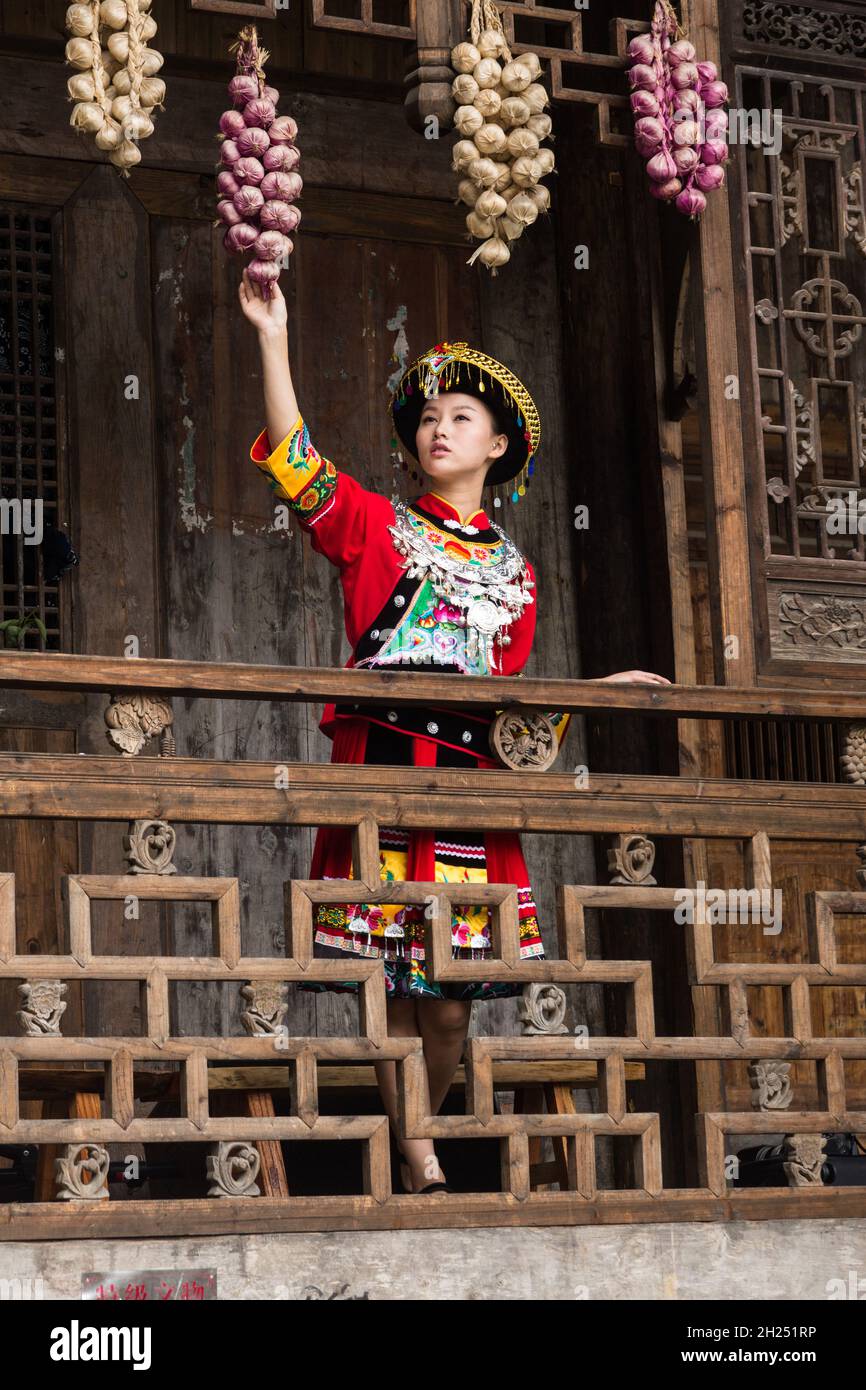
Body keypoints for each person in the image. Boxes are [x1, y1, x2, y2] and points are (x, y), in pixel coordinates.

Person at [239, 269, 670, 1193]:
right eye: (429, 417)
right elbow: (296, 460)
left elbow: (512, 704)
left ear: (500, 445)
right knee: (395, 996)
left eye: (462, 417)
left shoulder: (517, 574)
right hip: (385, 780)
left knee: (450, 1010)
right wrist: (274, 338)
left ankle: (415, 1137)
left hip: (470, 797)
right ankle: (421, 1156)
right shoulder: (375, 528)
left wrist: (594, 691)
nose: (440, 427)